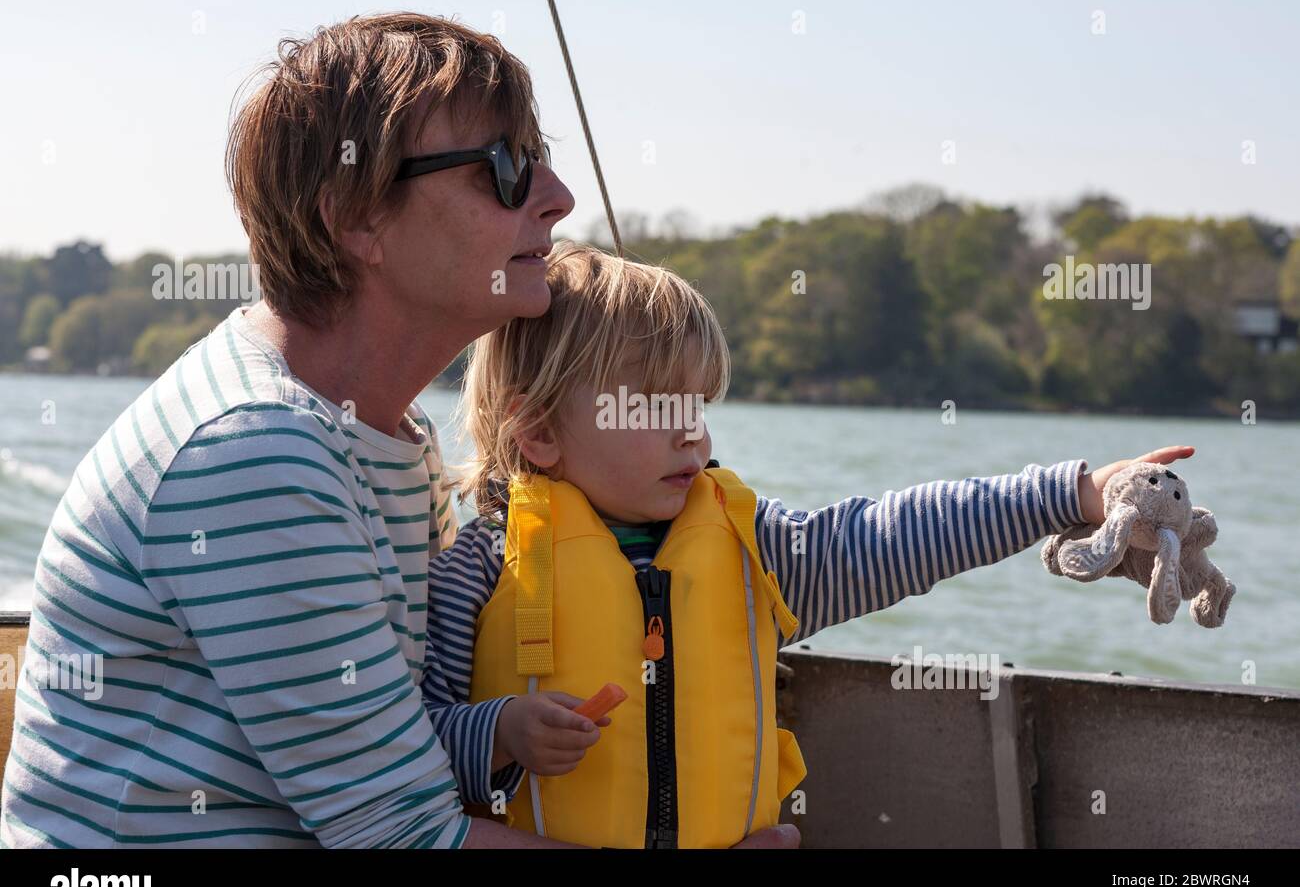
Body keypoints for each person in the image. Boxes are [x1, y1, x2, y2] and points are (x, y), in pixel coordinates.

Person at [1, 13, 810, 849]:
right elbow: (402, 839)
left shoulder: (388, 435)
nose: (557, 197)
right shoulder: (257, 451)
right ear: (358, 218)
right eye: (505, 167)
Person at [421, 242, 1196, 848]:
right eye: (655, 405)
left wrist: (1073, 493)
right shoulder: (477, 571)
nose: (695, 431)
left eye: (699, 402)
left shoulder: (756, 549)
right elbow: (409, 750)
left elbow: (896, 536)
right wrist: (498, 733)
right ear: (541, 431)